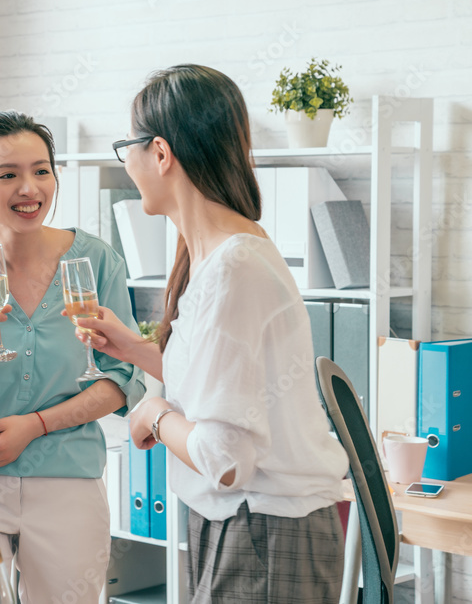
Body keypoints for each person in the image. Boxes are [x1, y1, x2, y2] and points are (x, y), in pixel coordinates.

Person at [75, 64, 349, 603]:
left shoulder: (233, 267)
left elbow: (225, 458)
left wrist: (153, 414)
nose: (126, 162)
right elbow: (223, 385)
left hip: (264, 530)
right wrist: (135, 350)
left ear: (160, 153)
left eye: (126, 146)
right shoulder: (221, 253)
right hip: (244, 524)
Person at [0, 110, 146, 603]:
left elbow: (119, 381)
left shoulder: (96, 260)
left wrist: (36, 425)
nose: (30, 188)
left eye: (41, 171)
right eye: (7, 174)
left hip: (67, 481)